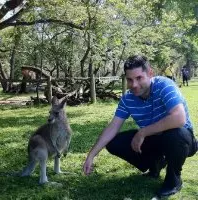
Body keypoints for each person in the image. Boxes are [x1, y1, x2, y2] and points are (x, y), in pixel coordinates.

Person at [83, 55, 197, 198]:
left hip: (182, 140)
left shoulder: (165, 85)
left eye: (139, 78)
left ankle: (173, 180)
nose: (134, 85)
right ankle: (155, 164)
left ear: (150, 73)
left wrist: (142, 132)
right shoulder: (127, 99)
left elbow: (179, 118)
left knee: (177, 134)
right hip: (154, 139)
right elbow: (113, 127)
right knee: (114, 143)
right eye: (130, 80)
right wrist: (91, 156)